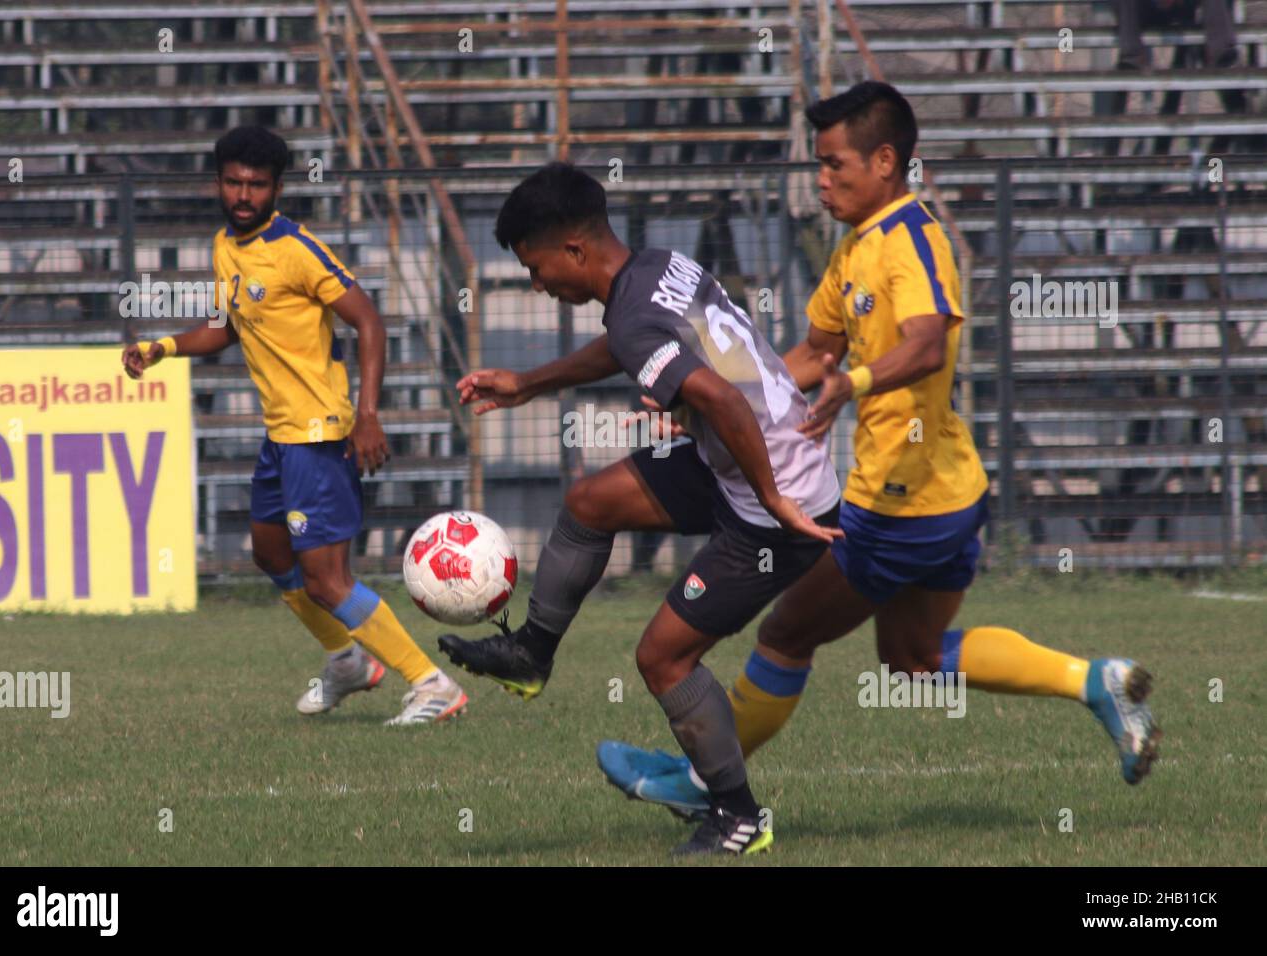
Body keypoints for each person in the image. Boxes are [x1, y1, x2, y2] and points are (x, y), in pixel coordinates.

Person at [597, 81, 1162, 820]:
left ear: (886, 162)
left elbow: (926, 345)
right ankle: (1096, 681)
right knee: (913, 659)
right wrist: (705, 401)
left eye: (836, 166)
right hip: (947, 495)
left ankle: (701, 785)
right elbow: (805, 358)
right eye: (819, 167)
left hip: (898, 503)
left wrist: (853, 382)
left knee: (785, 633)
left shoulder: (914, 241)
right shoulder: (854, 251)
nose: (823, 182)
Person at [437, 162, 842, 854]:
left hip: (775, 505)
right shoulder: (657, 268)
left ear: (573, 249)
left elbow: (721, 399)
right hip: (740, 468)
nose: (538, 285)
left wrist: (772, 496)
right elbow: (631, 349)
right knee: (592, 501)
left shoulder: (632, 315)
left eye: (537, 269)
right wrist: (529, 383)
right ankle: (532, 653)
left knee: (662, 659)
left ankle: (739, 815)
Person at [122, 126, 466, 726]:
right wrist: (164, 346)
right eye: (233, 182)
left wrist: (367, 415)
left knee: (327, 579)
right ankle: (347, 661)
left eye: (257, 184)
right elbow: (228, 326)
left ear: (278, 188)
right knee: (270, 552)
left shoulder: (297, 248)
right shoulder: (225, 244)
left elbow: (370, 321)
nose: (244, 194)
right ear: (218, 183)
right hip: (279, 436)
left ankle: (432, 683)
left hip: (320, 435)